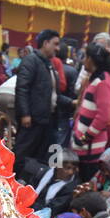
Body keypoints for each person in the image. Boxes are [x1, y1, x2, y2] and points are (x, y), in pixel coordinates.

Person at [14, 29, 71, 170]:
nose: (58, 48)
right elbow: (22, 88)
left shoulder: (49, 64)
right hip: (32, 119)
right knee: (23, 154)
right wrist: (25, 114)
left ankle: (36, 185)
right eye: (55, 44)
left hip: (48, 119)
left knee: (44, 157)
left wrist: (71, 102)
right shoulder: (31, 61)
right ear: (45, 43)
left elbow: (52, 94)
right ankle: (13, 184)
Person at [71, 43, 110, 183]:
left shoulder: (103, 82)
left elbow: (104, 116)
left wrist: (85, 137)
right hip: (85, 146)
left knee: (87, 184)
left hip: (90, 148)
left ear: (91, 59)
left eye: (85, 57)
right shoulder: (96, 78)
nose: (82, 61)